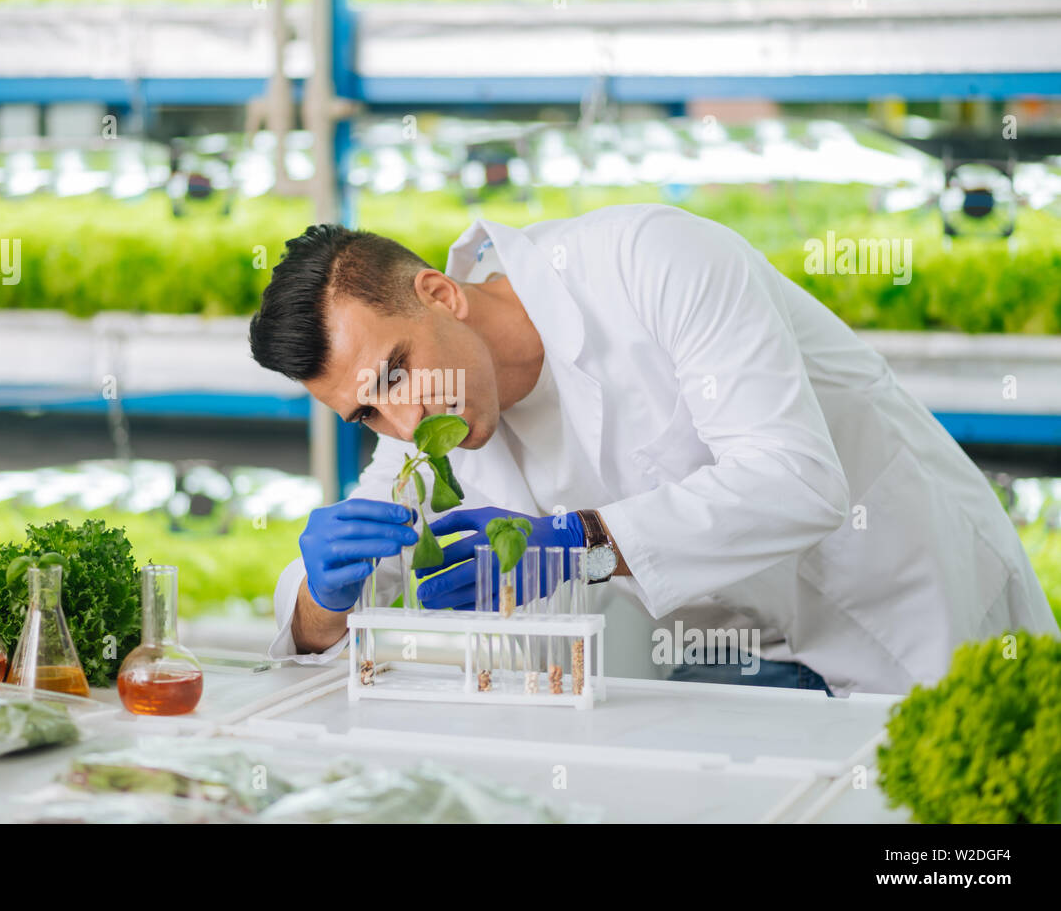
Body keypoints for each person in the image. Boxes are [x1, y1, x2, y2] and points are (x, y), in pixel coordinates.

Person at [246, 204, 1059, 696]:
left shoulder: (650, 262)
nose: (402, 417)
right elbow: (329, 616)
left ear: (438, 293)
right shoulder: (428, 428)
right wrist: (322, 594)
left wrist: (584, 543)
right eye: (366, 413)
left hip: (916, 617)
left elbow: (799, 479)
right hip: (750, 674)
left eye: (396, 372)